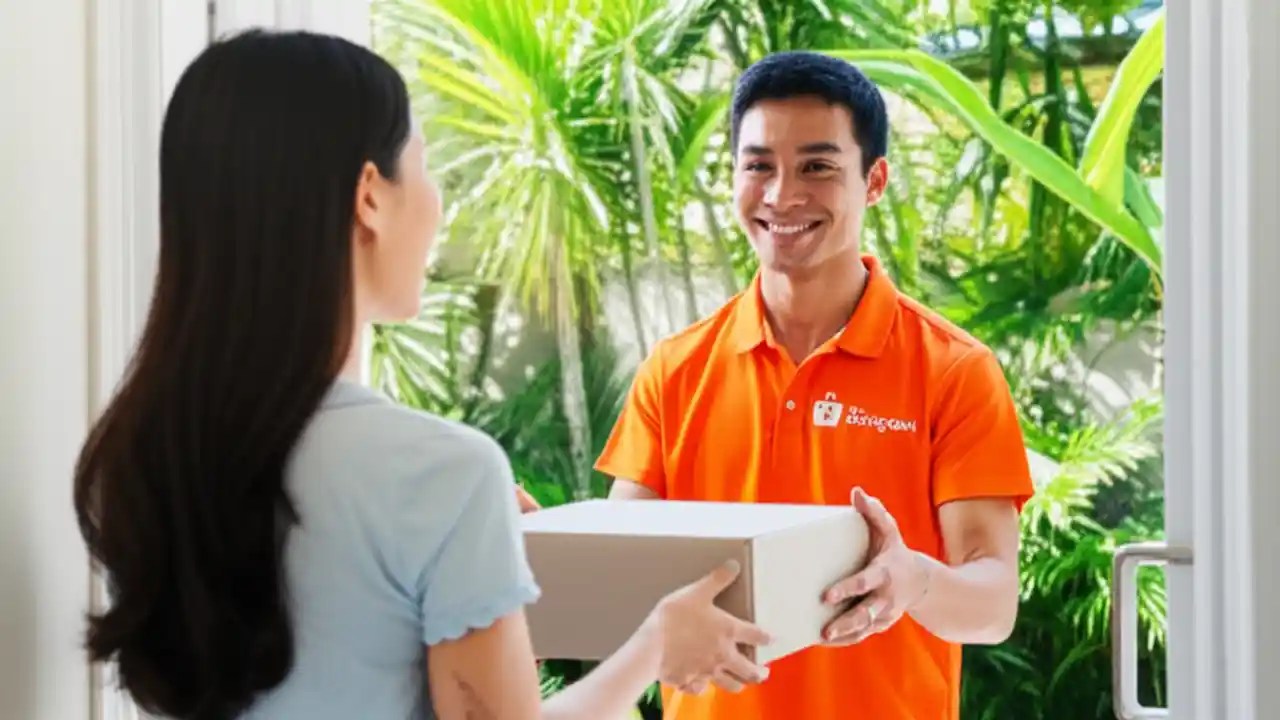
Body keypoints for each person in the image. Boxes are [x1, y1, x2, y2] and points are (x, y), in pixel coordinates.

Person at [72, 29, 771, 720]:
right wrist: (654, 647)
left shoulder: (142, 454)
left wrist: (481, 567)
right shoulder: (444, 474)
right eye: (425, 164)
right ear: (369, 194)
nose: (436, 204)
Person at [595, 50, 1035, 720]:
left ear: (875, 180)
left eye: (818, 167)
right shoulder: (674, 370)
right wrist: (557, 552)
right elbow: (623, 580)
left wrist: (915, 581)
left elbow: (993, 603)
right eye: (759, 165)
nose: (781, 195)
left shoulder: (953, 370)